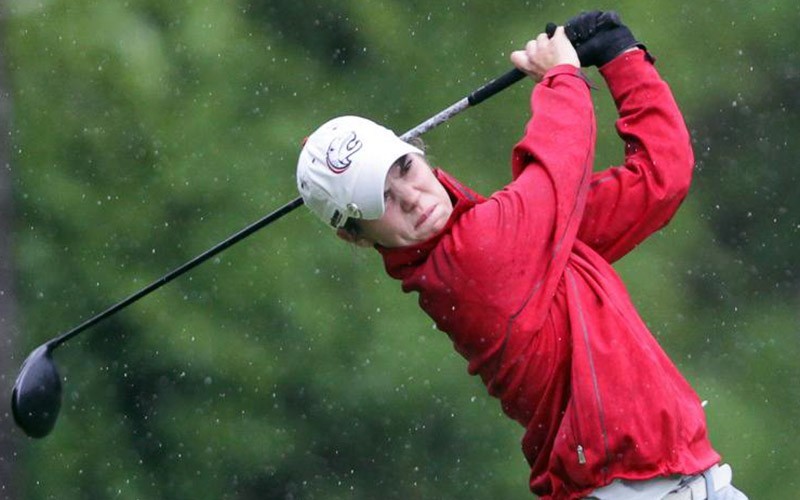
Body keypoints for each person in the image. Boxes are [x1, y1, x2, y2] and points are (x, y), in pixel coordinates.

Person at [296, 11, 747, 500]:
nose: (409, 195)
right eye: (379, 198)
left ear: (418, 152)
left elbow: (661, 179)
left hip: (697, 480)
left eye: (403, 166)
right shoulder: (472, 260)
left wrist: (623, 59)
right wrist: (560, 76)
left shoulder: (526, 237)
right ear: (358, 236)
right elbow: (559, 157)